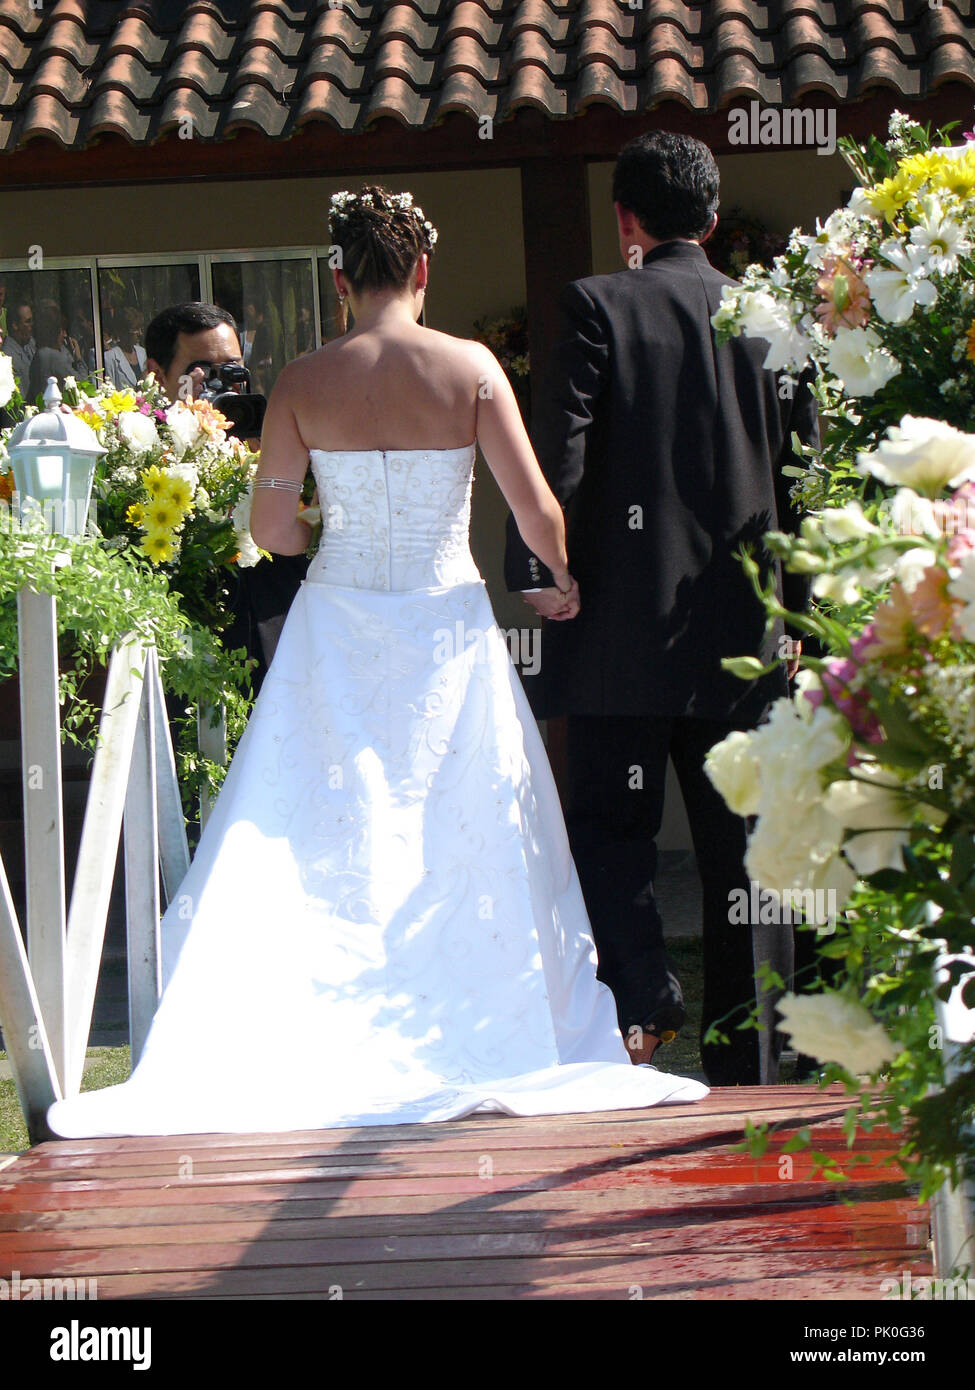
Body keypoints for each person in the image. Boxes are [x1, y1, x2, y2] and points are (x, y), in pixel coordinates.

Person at [45, 185, 707, 1138]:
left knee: (321, 826)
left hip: (337, 622)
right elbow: (535, 513)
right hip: (447, 623)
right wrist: (558, 582)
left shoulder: (306, 383)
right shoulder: (472, 368)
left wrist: (335, 535)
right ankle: (469, 1011)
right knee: (458, 819)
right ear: (424, 272)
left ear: (338, 278)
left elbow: (272, 530)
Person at [505, 132, 818, 1086]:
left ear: (624, 220)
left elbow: (557, 453)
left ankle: (642, 1004)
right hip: (748, 637)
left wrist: (540, 570)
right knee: (748, 856)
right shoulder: (778, 323)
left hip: (616, 636)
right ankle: (753, 1052)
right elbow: (807, 481)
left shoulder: (596, 305)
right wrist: (802, 616)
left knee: (610, 833)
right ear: (712, 220)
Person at [144, 301, 309, 688]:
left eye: (232, 371)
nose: (220, 386)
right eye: (201, 372)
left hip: (279, 640)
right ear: (156, 375)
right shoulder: (138, 451)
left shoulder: (269, 434)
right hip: (188, 654)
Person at [26, 299, 88, 401]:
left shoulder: (41, 353)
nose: (65, 335)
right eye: (61, 331)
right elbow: (83, 382)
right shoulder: (51, 356)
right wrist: (78, 358)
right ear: (53, 332)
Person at [104, 305, 147, 388]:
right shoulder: (110, 358)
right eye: (136, 329)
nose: (140, 333)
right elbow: (109, 392)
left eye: (141, 329)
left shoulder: (143, 353)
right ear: (124, 331)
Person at [3, 299, 35, 393]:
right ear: (15, 325)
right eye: (28, 321)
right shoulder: (8, 357)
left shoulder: (30, 343)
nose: (32, 325)